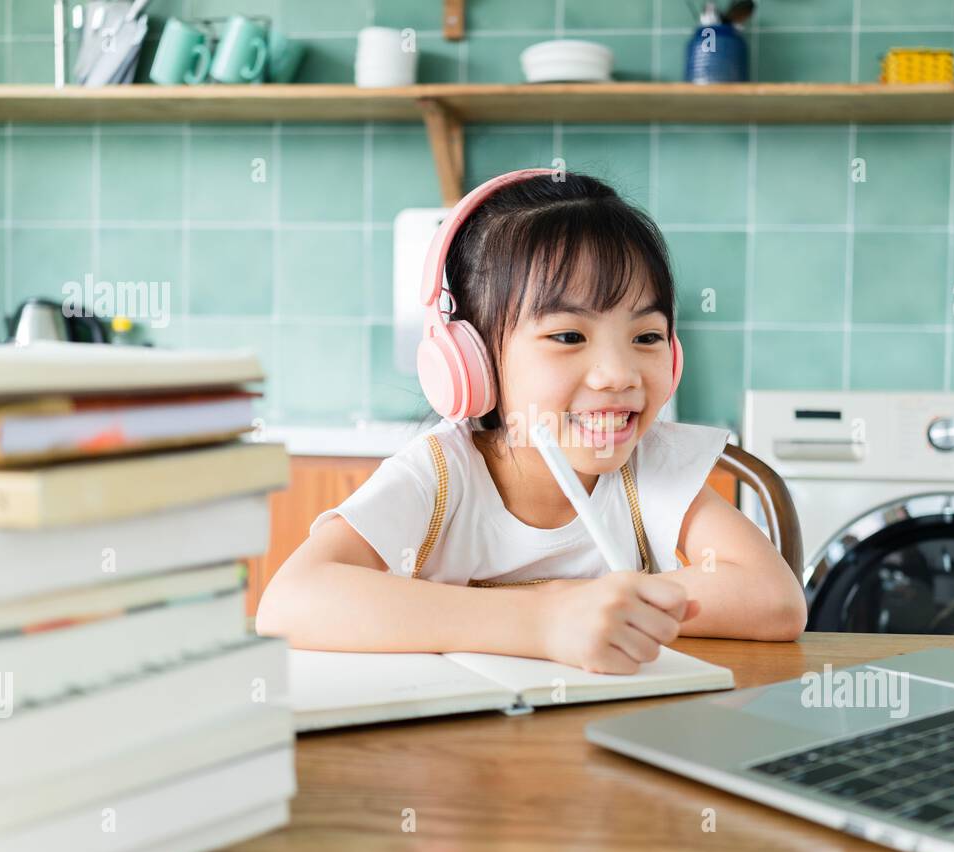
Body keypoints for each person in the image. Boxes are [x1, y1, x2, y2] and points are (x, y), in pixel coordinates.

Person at [257, 171, 806, 673]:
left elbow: (775, 600)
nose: (619, 374)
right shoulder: (442, 474)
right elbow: (292, 601)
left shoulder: (650, 465)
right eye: (568, 336)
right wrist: (545, 619)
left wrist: (610, 612)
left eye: (647, 337)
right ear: (472, 361)